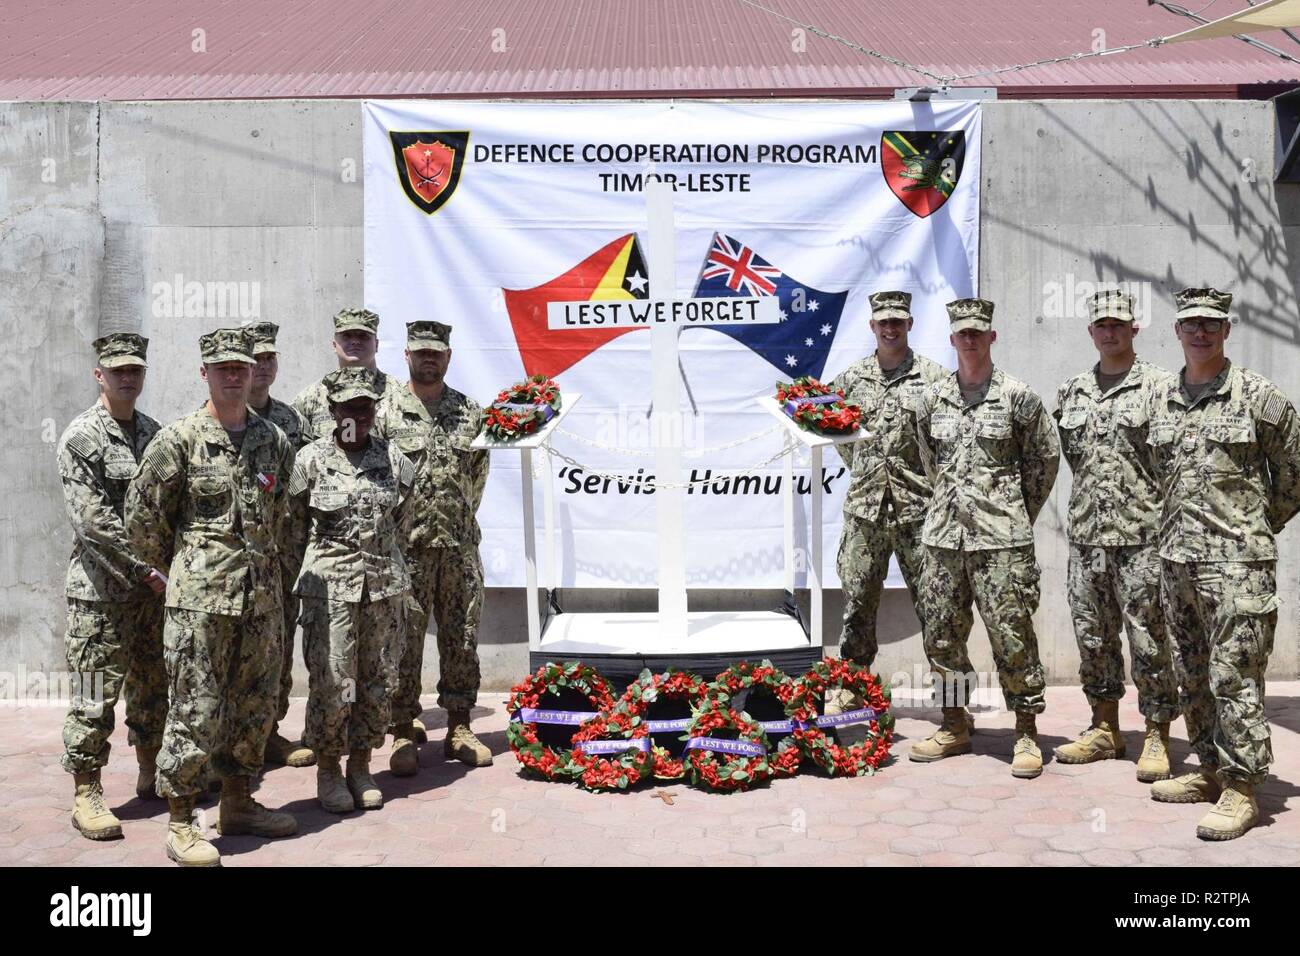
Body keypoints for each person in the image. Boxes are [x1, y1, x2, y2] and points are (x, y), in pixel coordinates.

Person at [125, 327, 297, 867]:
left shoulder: (274, 440)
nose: (232, 376)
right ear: (205, 373)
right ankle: (181, 822)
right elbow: (141, 517)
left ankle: (239, 803)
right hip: (200, 606)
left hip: (260, 603)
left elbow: (282, 513)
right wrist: (176, 571)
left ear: (253, 372)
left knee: (254, 706)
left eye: (241, 368)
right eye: (222, 368)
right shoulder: (178, 440)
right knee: (195, 709)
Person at [1146, 287, 1300, 840]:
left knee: (1234, 676)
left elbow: (1293, 474)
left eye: (1212, 324)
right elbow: (1154, 475)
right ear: (1177, 331)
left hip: (1238, 566)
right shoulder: (1158, 397)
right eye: (1191, 324)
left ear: (1227, 330)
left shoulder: (1259, 397)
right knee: (1192, 673)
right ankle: (1209, 769)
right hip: (1176, 561)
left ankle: (1242, 787)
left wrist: (1252, 527)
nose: (1201, 332)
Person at [909, 298, 1059, 779]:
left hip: (1002, 543)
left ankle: (1026, 730)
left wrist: (1012, 511)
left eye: (979, 332)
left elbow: (1043, 463)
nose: (970, 339)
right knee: (942, 638)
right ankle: (955, 722)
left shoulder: (1019, 398)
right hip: (943, 541)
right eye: (962, 333)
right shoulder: (932, 399)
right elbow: (927, 460)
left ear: (991, 337)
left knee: (1012, 637)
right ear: (952, 340)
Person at [1051, 291, 1179, 781]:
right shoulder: (1071, 392)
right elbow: (1068, 459)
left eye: (1119, 325)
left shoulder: (1162, 388)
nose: (1110, 332)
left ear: (1134, 329)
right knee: (1093, 635)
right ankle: (1105, 728)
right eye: (1101, 325)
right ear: (1090, 332)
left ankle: (1156, 733)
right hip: (1086, 540)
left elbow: (1173, 464)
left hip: (1143, 539)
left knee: (1149, 638)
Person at [286, 367, 414, 812]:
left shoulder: (396, 461)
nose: (357, 415)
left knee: (378, 681)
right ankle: (328, 770)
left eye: (365, 407)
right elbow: (292, 526)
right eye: (348, 408)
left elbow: (401, 521)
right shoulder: (309, 461)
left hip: (382, 588)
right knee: (336, 682)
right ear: (332, 411)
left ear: (375, 410)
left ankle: (362, 766)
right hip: (330, 593)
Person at [57, 333, 169, 840]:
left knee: (154, 686)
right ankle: (87, 792)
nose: (128, 377)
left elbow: (170, 508)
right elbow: (92, 521)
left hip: (152, 593)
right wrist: (145, 568)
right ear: (99, 374)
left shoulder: (156, 434)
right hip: (100, 595)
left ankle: (152, 772)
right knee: (94, 694)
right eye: (118, 370)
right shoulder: (81, 438)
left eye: (135, 370)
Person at [374, 321, 492, 772]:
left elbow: (477, 478)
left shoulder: (470, 412)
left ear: (448, 356)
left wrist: (456, 519)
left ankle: (460, 726)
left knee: (461, 636)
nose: (429, 358)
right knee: (402, 642)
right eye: (421, 351)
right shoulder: (385, 412)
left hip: (458, 548)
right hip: (406, 551)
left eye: (436, 351)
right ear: (406, 355)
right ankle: (403, 728)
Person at [828, 290, 947, 678]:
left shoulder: (935, 379)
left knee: (938, 607)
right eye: (884, 322)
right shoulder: (850, 380)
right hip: (866, 511)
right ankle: (854, 690)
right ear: (872, 326)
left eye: (898, 321)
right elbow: (837, 436)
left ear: (910, 324)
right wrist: (866, 472)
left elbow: (947, 441)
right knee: (858, 605)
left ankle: (952, 708)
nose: (891, 328)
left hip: (920, 511)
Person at [245, 320, 314, 769]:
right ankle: (232, 742)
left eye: (270, 358)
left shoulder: (291, 420)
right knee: (238, 652)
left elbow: (309, 486)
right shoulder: (217, 416)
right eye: (255, 359)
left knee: (279, 646)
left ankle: (269, 732)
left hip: (285, 557)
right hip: (238, 560)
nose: (263, 366)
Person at [292, 308, 403, 444]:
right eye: (347, 336)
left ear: (377, 345)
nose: (355, 341)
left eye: (363, 336)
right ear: (334, 344)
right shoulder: (309, 399)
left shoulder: (401, 395)